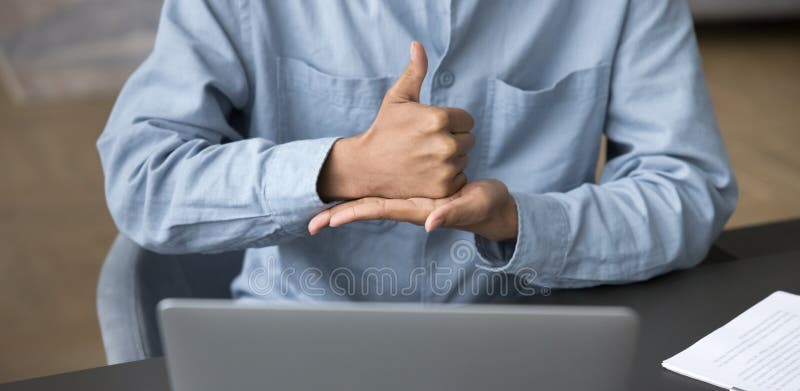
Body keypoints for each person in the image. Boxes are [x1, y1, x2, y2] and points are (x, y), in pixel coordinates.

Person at [98, 0, 737, 302]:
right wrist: (345, 168)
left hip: (533, 355)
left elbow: (688, 188)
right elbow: (142, 178)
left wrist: (519, 222)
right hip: (298, 354)